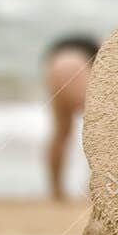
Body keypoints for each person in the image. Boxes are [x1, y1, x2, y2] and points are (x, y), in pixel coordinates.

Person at [42, 34, 100, 201]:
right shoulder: (103, 45)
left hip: (54, 65)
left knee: (61, 132)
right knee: (98, 128)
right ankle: (94, 190)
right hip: (75, 66)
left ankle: (56, 191)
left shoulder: (71, 45)